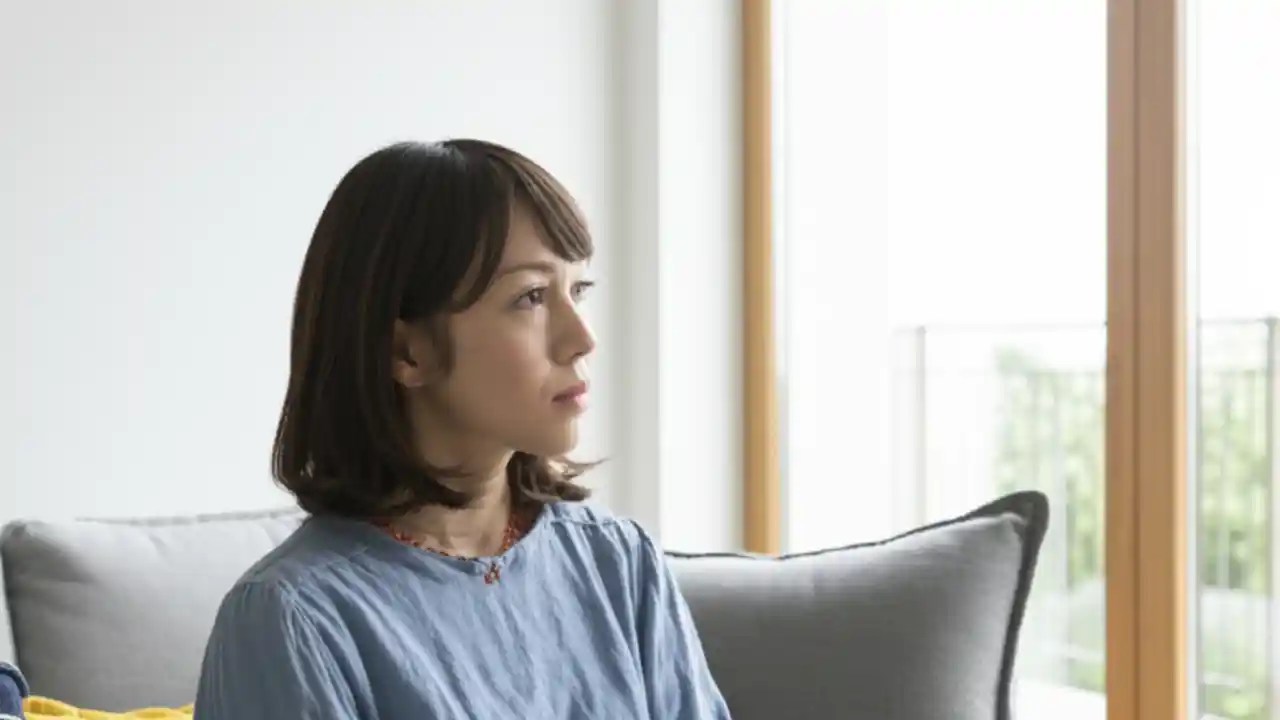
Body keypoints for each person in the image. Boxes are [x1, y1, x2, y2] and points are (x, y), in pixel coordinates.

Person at [194, 140, 731, 719]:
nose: (581, 338)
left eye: (577, 291)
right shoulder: (293, 618)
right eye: (530, 297)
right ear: (407, 351)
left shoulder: (619, 564)